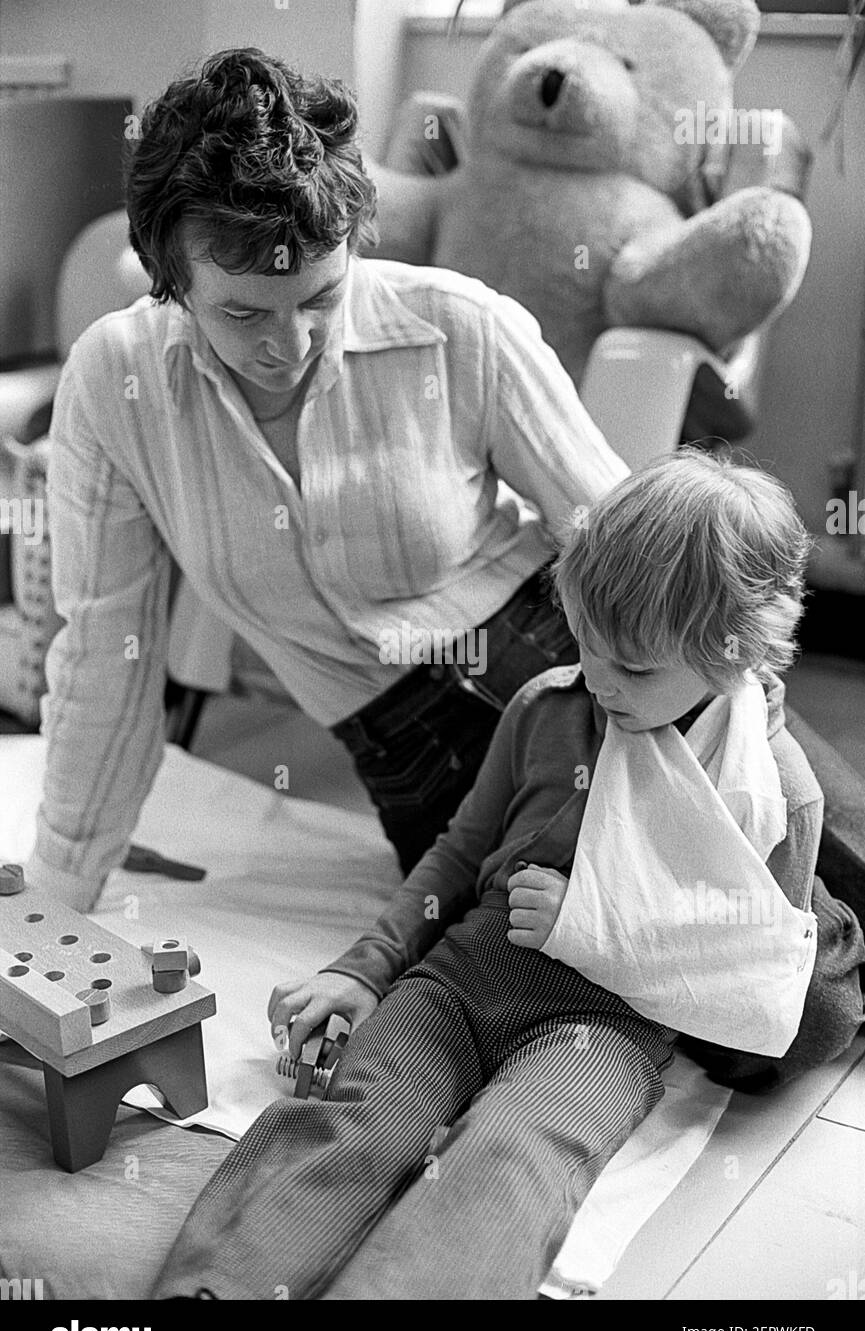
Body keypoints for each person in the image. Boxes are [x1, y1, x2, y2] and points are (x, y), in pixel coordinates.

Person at [152, 453, 864, 1302]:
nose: (599, 679)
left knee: (507, 1162)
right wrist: (363, 967)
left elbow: (746, 966)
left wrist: (595, 917)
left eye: (632, 667)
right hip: (459, 982)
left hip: (600, 1027)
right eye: (585, 645)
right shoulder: (547, 708)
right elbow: (456, 854)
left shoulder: (774, 793)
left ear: (732, 654)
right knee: (351, 1124)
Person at [26, 47, 627, 912]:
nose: (293, 345)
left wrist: (727, 694)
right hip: (414, 757)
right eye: (243, 312)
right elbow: (105, 653)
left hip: (583, 660)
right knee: (593, 961)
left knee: (808, 880)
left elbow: (621, 537)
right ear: (171, 282)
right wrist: (58, 894)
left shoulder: (461, 326)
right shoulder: (117, 384)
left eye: (320, 298)